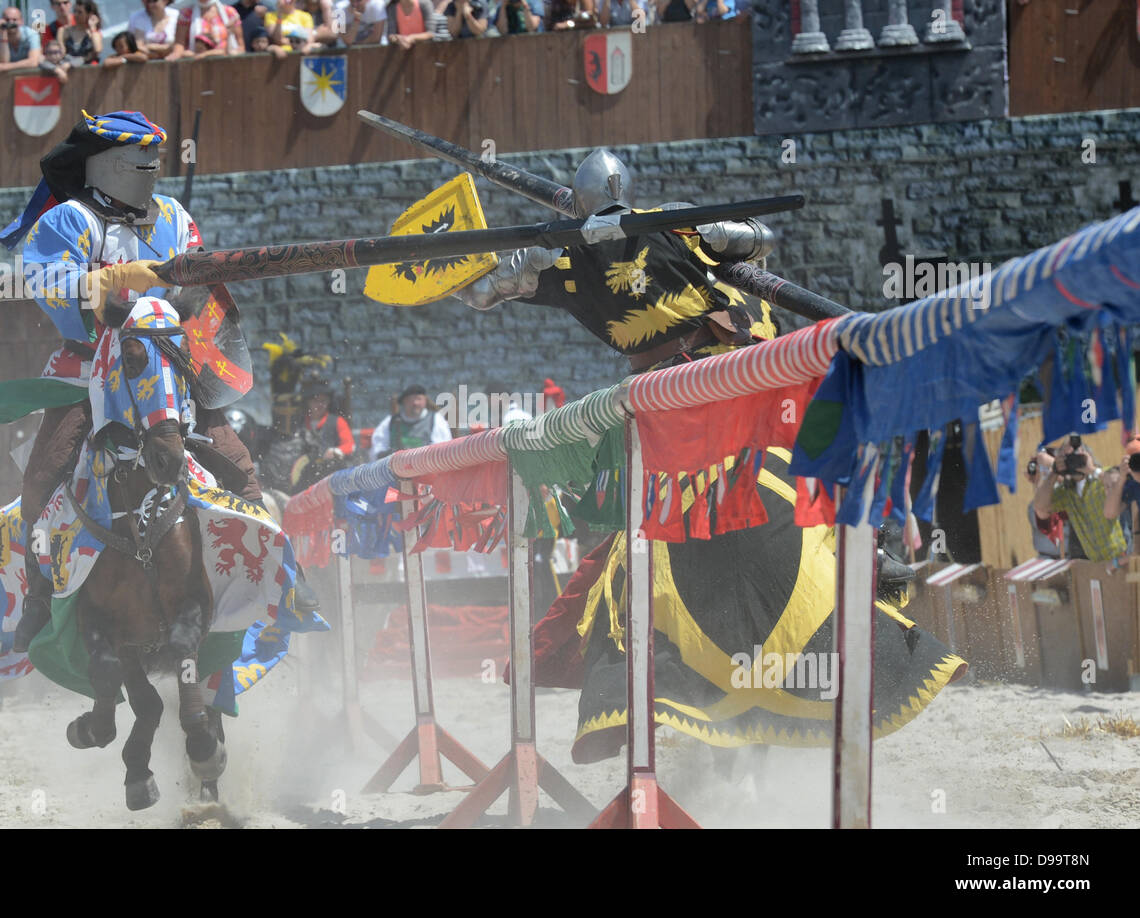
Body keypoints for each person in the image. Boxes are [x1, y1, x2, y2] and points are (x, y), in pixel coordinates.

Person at [451, 148, 964, 760]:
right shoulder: (567, 255)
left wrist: (727, 233)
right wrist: (522, 258)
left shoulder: (671, 224)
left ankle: (870, 553)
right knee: (640, 536)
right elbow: (479, 295)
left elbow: (761, 238)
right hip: (664, 404)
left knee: (820, 449)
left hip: (737, 370)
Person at [0, 110, 264, 652]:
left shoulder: (173, 214)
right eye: (134, 158)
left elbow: (199, 282)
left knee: (239, 466)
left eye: (155, 158)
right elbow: (53, 285)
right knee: (44, 473)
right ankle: (39, 596)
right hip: (90, 366)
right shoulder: (67, 221)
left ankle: (271, 576)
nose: (149, 167)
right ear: (100, 164)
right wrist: (113, 282)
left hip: (168, 363)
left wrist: (191, 283)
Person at [1033, 436, 1126, 563]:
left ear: (1087, 455)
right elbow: (1040, 507)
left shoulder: (1103, 476)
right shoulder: (1066, 492)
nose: (1073, 461)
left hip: (1122, 557)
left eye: (1077, 456)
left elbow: (1118, 484)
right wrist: (1054, 472)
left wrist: (1091, 470)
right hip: (1097, 564)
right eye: (1068, 458)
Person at [370, 385, 452, 459]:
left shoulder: (436, 420)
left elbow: (442, 451)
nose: (415, 403)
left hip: (427, 471)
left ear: (425, 401)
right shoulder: (390, 421)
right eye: (411, 400)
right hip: (395, 471)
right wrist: (394, 455)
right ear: (404, 402)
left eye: (419, 399)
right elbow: (378, 451)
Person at [169, 0, 246, 58]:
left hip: (225, 63)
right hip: (196, 65)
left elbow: (241, 47)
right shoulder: (186, 13)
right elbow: (179, 45)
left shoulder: (229, 12)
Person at [0, 6, 43, 73]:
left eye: (14, 20)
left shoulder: (31, 35)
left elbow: (33, 62)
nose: (11, 22)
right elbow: (4, 61)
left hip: (30, 77)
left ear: (21, 22)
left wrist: (3, 67)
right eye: (7, 20)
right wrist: (3, 36)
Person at [58, 0, 103, 65]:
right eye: (75, 11)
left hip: (88, 69)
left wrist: (92, 28)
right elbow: (61, 53)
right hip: (68, 68)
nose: (76, 15)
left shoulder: (94, 33)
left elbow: (97, 50)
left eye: (80, 12)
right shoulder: (64, 31)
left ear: (89, 14)